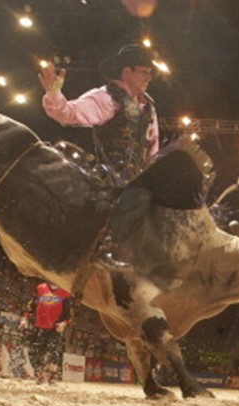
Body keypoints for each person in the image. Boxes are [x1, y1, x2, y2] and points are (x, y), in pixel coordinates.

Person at [38, 44, 160, 267]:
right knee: (138, 196)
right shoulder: (106, 98)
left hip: (141, 177)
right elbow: (69, 113)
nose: (149, 77)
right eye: (145, 71)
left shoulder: (149, 107)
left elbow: (153, 147)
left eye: (151, 73)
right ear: (127, 71)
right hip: (108, 177)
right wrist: (53, 93)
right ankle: (110, 246)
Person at [20, 281, 72, 385]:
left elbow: (69, 313)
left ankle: (52, 376)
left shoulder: (65, 291)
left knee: (51, 351)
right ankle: (40, 374)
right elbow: (31, 305)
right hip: (37, 326)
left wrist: (64, 323)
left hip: (54, 328)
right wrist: (24, 319)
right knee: (33, 351)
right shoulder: (40, 288)